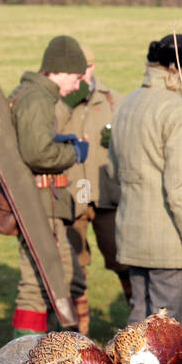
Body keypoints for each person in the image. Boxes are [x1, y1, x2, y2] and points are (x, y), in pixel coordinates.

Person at [110, 33, 182, 325]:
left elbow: (113, 170)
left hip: (131, 235)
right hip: (169, 244)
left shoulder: (124, 105)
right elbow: (179, 188)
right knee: (164, 335)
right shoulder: (179, 112)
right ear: (179, 71)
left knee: (137, 324)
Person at [7, 35, 90, 337]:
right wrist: (73, 153)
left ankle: (43, 353)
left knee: (55, 281)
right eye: (76, 77)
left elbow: (34, 142)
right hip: (38, 203)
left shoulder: (33, 95)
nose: (77, 85)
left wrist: (59, 140)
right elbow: (36, 153)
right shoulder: (37, 98)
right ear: (60, 70)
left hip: (40, 202)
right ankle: (24, 358)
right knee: (39, 284)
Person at [55, 43, 128, 334]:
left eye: (83, 69)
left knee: (125, 262)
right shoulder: (59, 103)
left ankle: (139, 324)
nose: (80, 76)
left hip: (109, 197)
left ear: (92, 68)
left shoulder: (112, 100)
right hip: (72, 198)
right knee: (75, 268)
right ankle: (78, 334)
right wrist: (67, 103)